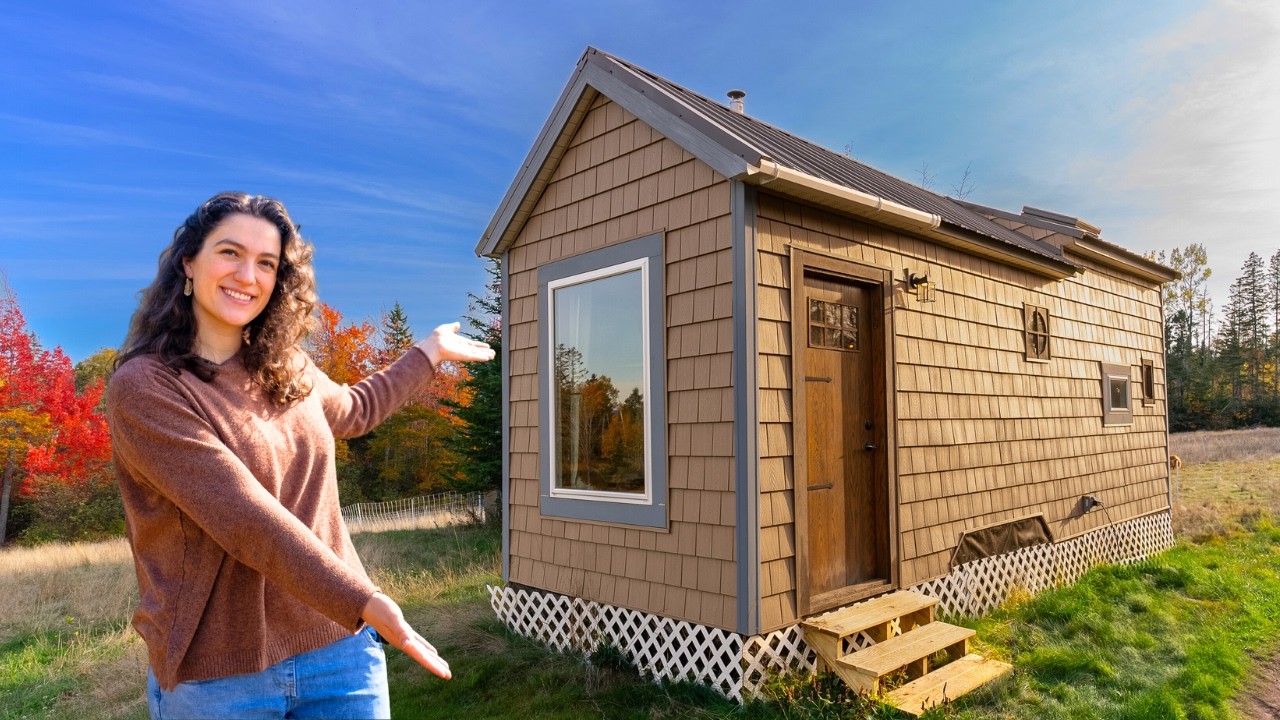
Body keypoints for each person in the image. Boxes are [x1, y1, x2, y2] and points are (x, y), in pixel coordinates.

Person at [107, 191, 494, 719]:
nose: (248, 275)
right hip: (219, 675)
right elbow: (242, 514)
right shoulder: (146, 388)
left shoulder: (285, 367)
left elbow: (355, 409)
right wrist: (364, 599)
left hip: (340, 654)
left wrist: (427, 354)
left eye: (266, 263)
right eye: (230, 253)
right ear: (188, 264)